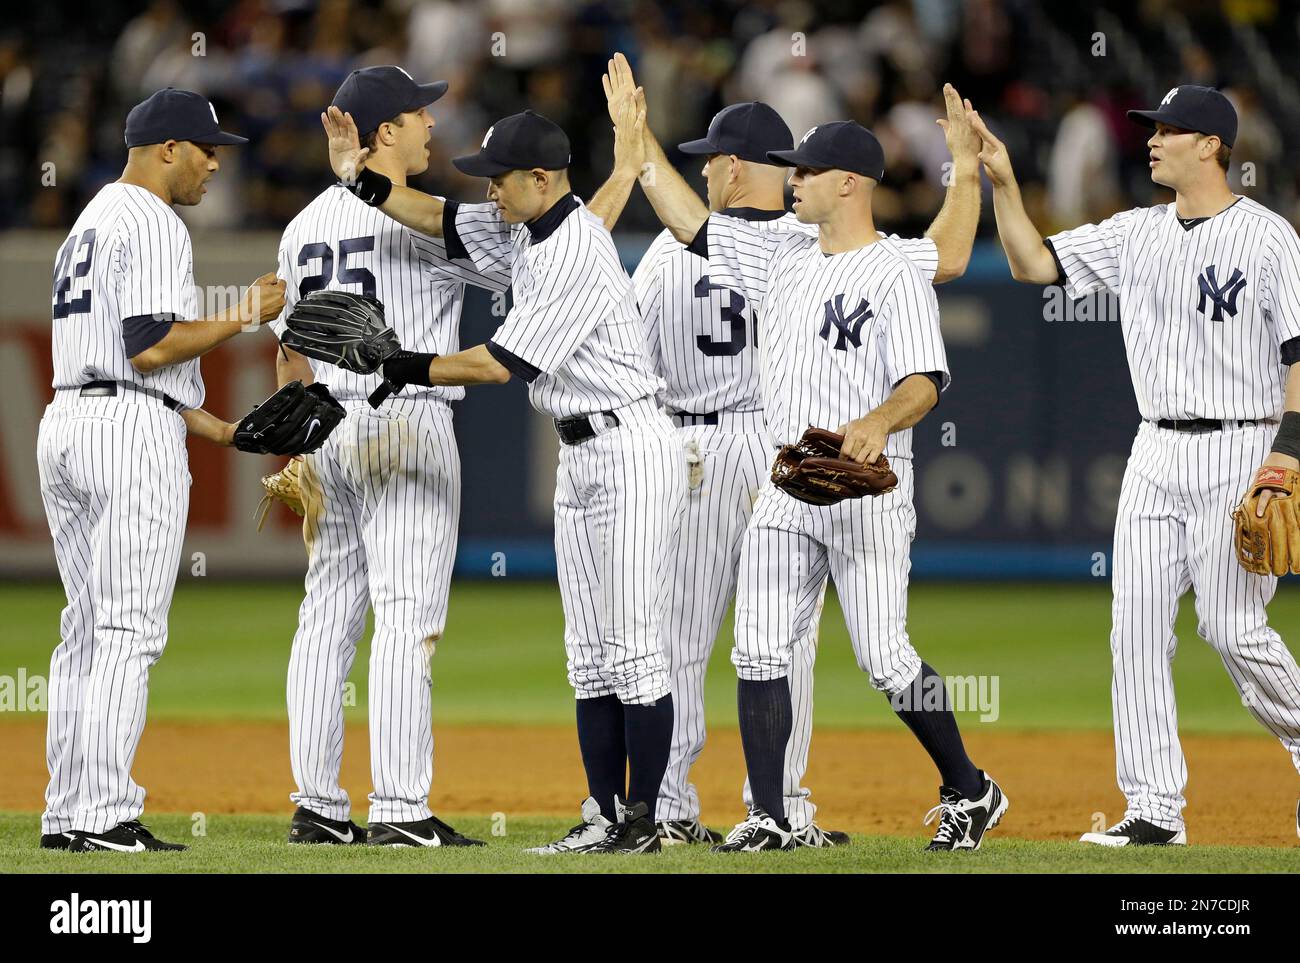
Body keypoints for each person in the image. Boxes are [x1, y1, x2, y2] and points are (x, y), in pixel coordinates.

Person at [601, 54, 984, 845]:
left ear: (849, 182)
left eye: (806, 171)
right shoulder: (781, 259)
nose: (792, 180)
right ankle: (770, 816)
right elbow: (691, 222)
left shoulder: (894, 272)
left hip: (867, 487)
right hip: (786, 480)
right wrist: (638, 149)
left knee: (884, 655)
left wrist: (879, 419)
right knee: (758, 647)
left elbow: (924, 383)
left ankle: (970, 786)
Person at [317, 89, 682, 853]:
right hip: (581, 453)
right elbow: (434, 217)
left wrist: (402, 362)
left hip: (633, 446)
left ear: (543, 180)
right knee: (588, 653)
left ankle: (647, 820)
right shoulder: (520, 226)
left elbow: (497, 364)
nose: (488, 188)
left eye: (500, 177)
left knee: (637, 645)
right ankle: (604, 814)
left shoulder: (574, 247)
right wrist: (358, 179)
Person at [972, 84, 1300, 846]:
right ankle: (1154, 808)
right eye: (1152, 130)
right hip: (1154, 448)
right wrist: (1005, 184)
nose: (1152, 141)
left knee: (1232, 626)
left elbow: (1298, 351)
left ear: (1213, 146)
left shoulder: (1267, 237)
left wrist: (1287, 451)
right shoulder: (1136, 232)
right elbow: (1033, 265)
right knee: (1135, 630)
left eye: (1171, 131)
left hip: (1241, 443)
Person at [38, 88, 285, 853]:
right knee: (127, 629)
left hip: (71, 420)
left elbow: (120, 355)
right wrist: (243, 314)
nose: (216, 163)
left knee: (84, 628)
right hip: (125, 432)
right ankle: (107, 814)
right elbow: (148, 344)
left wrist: (212, 425)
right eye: (207, 149)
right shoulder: (151, 219)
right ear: (166, 149)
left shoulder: (89, 220)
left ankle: (68, 811)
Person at [272, 66, 513, 848]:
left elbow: (290, 354)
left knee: (324, 620)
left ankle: (316, 805)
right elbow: (519, 263)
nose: (430, 126)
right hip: (405, 417)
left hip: (325, 426)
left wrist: (298, 442)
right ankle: (403, 808)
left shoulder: (302, 224)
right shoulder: (429, 218)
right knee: (406, 621)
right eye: (416, 115)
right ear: (382, 135)